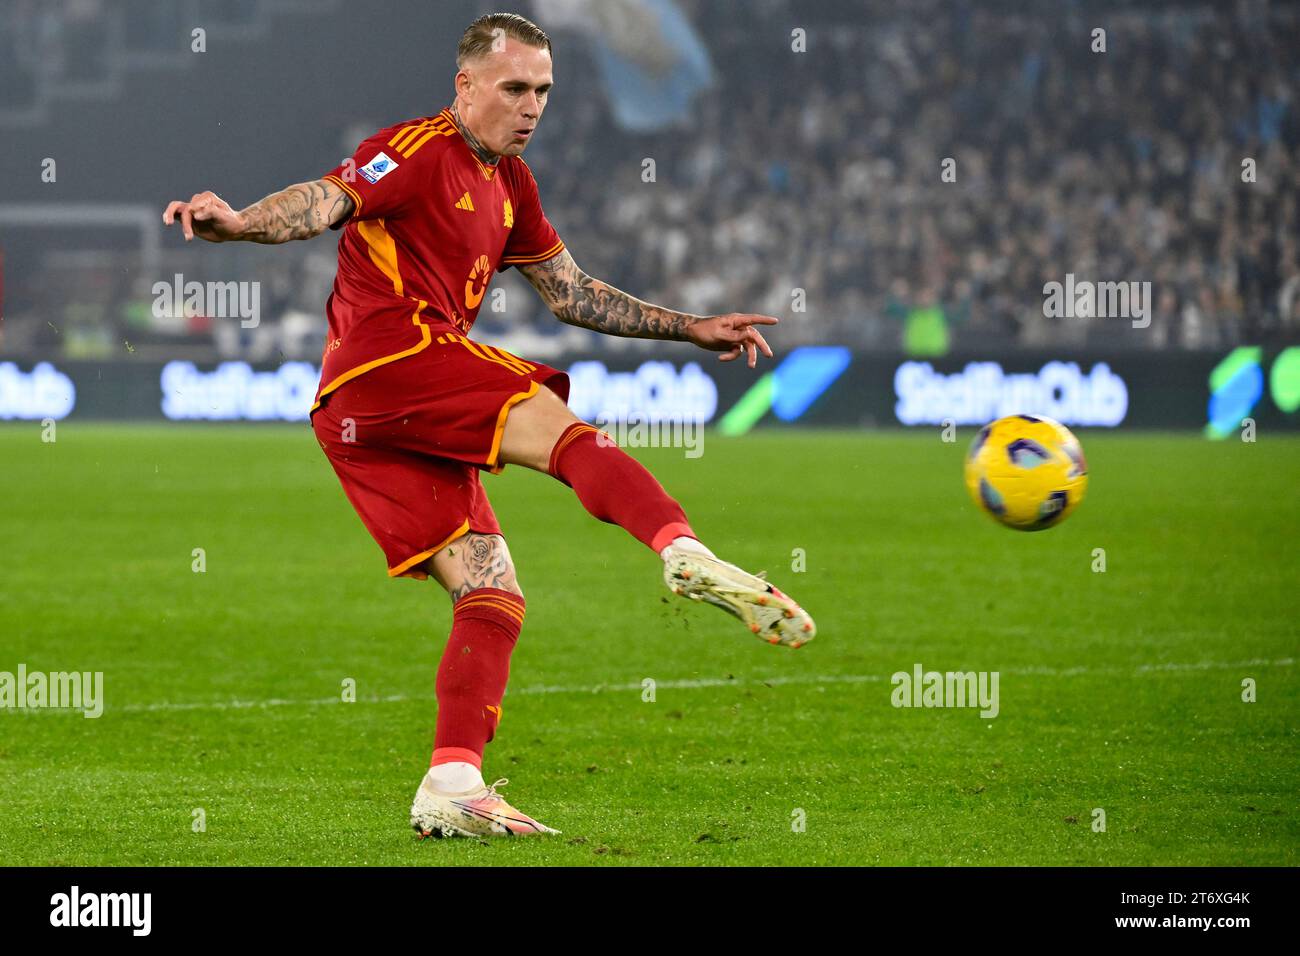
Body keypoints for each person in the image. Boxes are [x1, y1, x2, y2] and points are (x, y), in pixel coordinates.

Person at [162, 12, 815, 840]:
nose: (532, 106)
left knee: (492, 591)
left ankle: (451, 783)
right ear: (465, 86)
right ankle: (681, 550)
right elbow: (328, 198)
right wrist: (245, 223)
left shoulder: (513, 184)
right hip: (393, 356)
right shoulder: (416, 147)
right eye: (514, 88)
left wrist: (690, 326)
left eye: (543, 90)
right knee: (566, 432)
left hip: (356, 418)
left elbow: (573, 295)